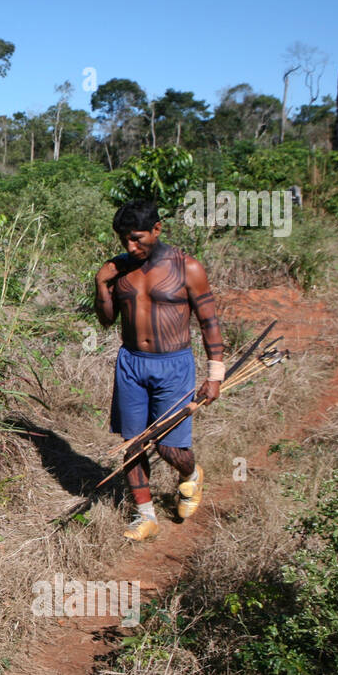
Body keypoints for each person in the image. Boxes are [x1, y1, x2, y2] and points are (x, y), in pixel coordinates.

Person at [94, 198, 224, 541]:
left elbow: (209, 322)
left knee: (169, 447)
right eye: (124, 239)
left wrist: (215, 375)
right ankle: (145, 515)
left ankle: (191, 475)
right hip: (131, 364)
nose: (130, 246)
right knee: (132, 445)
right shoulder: (120, 268)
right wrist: (101, 284)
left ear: (157, 229)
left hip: (174, 365)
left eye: (137, 238)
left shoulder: (188, 268)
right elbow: (106, 321)